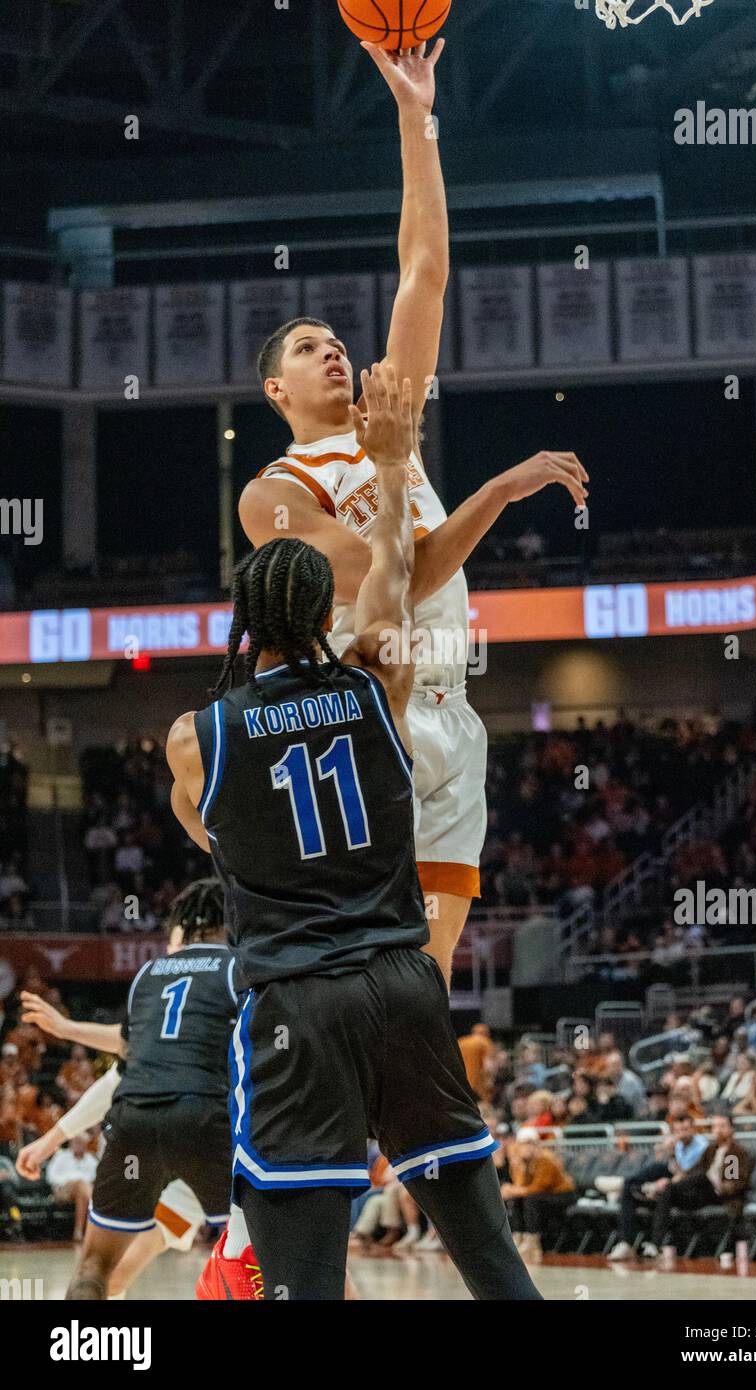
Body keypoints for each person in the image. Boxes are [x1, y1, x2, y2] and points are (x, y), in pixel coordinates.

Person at [167, 364, 541, 1301]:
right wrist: (399, 466)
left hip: (301, 1004)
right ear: (322, 615)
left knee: (305, 1282)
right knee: (493, 1263)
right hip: (405, 989)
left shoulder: (200, 736)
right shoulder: (379, 681)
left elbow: (209, 832)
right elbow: (393, 578)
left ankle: (241, 1255)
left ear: (244, 619)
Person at [238, 40, 588, 992]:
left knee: (424, 994)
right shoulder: (273, 489)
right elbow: (399, 582)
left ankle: (400, 1145)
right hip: (370, 712)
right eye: (311, 348)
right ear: (277, 387)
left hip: (452, 712)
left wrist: (414, 114)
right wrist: (501, 489)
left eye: (337, 340)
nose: (336, 352)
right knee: (367, 984)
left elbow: (424, 268)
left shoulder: (389, 413)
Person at [20, 878, 237, 1300]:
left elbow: (122, 1063)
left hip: (141, 1126)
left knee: (101, 1269)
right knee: (274, 1259)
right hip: (211, 1132)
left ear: (182, 929)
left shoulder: (149, 978)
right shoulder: (237, 970)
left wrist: (67, 1029)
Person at [644, 1115, 754, 1256]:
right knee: (669, 1190)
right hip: (703, 1193)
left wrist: (720, 1185)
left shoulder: (735, 1153)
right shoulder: (710, 1150)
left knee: (703, 1177)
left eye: (722, 1126)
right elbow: (693, 1171)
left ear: (731, 1129)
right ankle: (655, 1243)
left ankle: (655, 1189)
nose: (718, 1130)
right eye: (715, 1126)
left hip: (721, 1196)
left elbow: (734, 1183)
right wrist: (672, 1179)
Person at [609, 1114, 709, 1261]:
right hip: (674, 1179)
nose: (681, 1133)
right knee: (630, 1184)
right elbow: (671, 1168)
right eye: (678, 1130)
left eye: (685, 1129)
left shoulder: (703, 1146)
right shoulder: (678, 1144)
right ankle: (626, 1242)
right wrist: (666, 1151)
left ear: (693, 1129)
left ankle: (655, 1244)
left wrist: (668, 1181)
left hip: (691, 1188)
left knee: (666, 1187)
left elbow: (692, 1176)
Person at [500, 1129, 575, 1262]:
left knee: (530, 1199)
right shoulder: (524, 1162)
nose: (525, 1148)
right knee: (516, 1199)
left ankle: (532, 1240)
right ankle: (518, 1236)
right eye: (523, 1144)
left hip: (562, 1195)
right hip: (543, 1196)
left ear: (536, 1145)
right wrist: (518, 1168)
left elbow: (537, 1188)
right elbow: (521, 1184)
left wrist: (512, 1190)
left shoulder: (545, 1159)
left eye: (529, 1144)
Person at [45, 1135, 98, 1243]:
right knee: (82, 1187)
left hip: (82, 1191)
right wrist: (68, 1182)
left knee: (81, 1195)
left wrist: (79, 1183)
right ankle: (95, 1231)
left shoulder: (91, 1160)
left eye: (80, 1142)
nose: (77, 1145)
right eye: (75, 1142)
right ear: (70, 1143)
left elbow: (97, 1177)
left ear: (85, 1144)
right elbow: (50, 1176)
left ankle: (78, 1231)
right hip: (63, 1189)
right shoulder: (61, 1156)